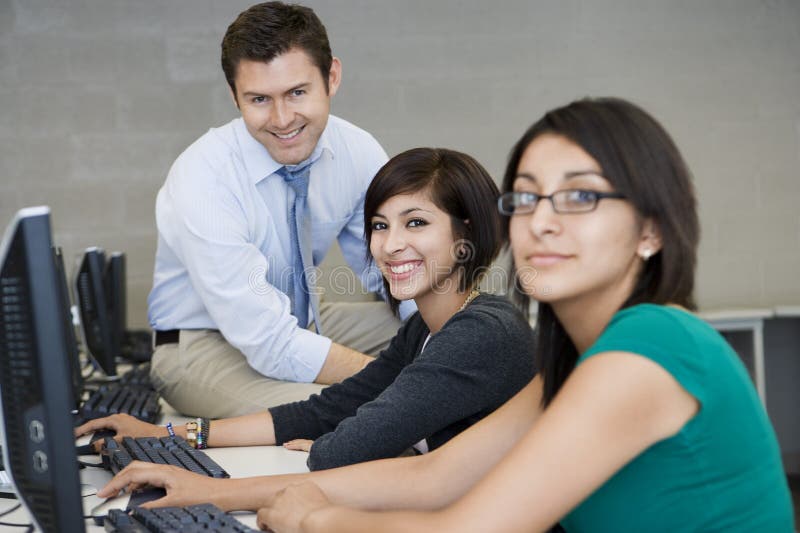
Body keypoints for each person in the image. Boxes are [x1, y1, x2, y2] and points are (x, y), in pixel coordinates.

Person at [97, 98, 794, 532]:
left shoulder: (650, 348)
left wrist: (322, 517)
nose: (542, 222)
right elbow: (436, 476)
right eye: (525, 198)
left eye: (578, 197)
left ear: (651, 230)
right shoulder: (576, 363)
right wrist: (209, 487)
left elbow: (469, 521)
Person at [77, 148, 537, 471]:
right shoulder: (422, 331)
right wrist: (172, 437)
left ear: (465, 236)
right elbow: (322, 411)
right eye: (379, 225)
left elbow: (339, 449)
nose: (391, 245)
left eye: (416, 222)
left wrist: (340, 443)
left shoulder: (482, 332)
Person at [146, 2, 414, 418]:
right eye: (259, 99)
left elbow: (397, 272)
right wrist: (401, 377)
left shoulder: (357, 152)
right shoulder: (204, 178)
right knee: (355, 411)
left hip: (301, 320)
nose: (282, 119)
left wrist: (451, 343)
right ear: (235, 96)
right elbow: (267, 341)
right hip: (200, 346)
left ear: (332, 77)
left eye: (297, 92)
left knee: (456, 335)